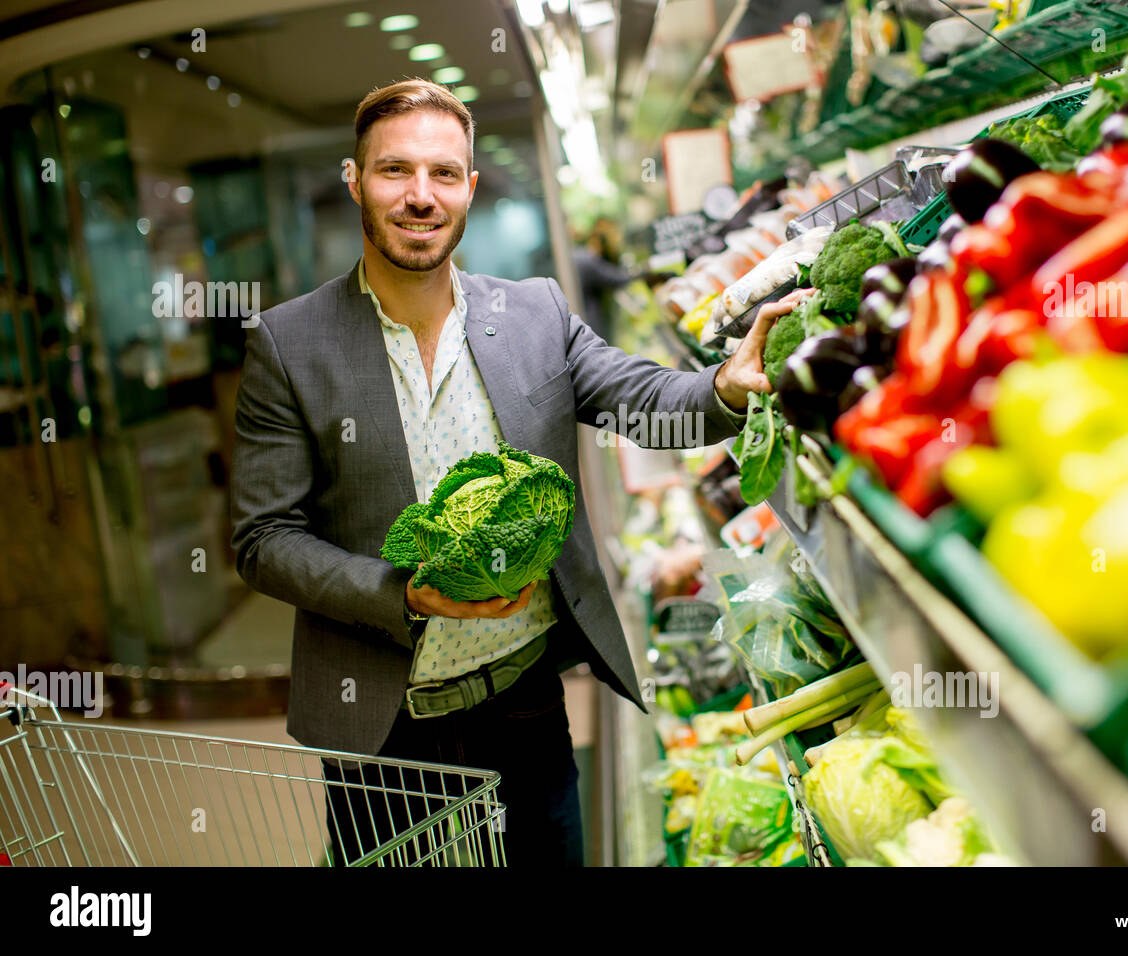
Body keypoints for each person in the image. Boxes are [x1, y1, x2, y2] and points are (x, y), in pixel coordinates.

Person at [229, 78, 804, 867]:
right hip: (384, 730)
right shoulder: (290, 343)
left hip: (525, 704)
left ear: (469, 187)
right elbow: (263, 538)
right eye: (395, 171)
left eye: (443, 174)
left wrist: (724, 388)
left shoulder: (533, 311)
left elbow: (640, 398)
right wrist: (402, 595)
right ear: (356, 181)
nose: (420, 196)